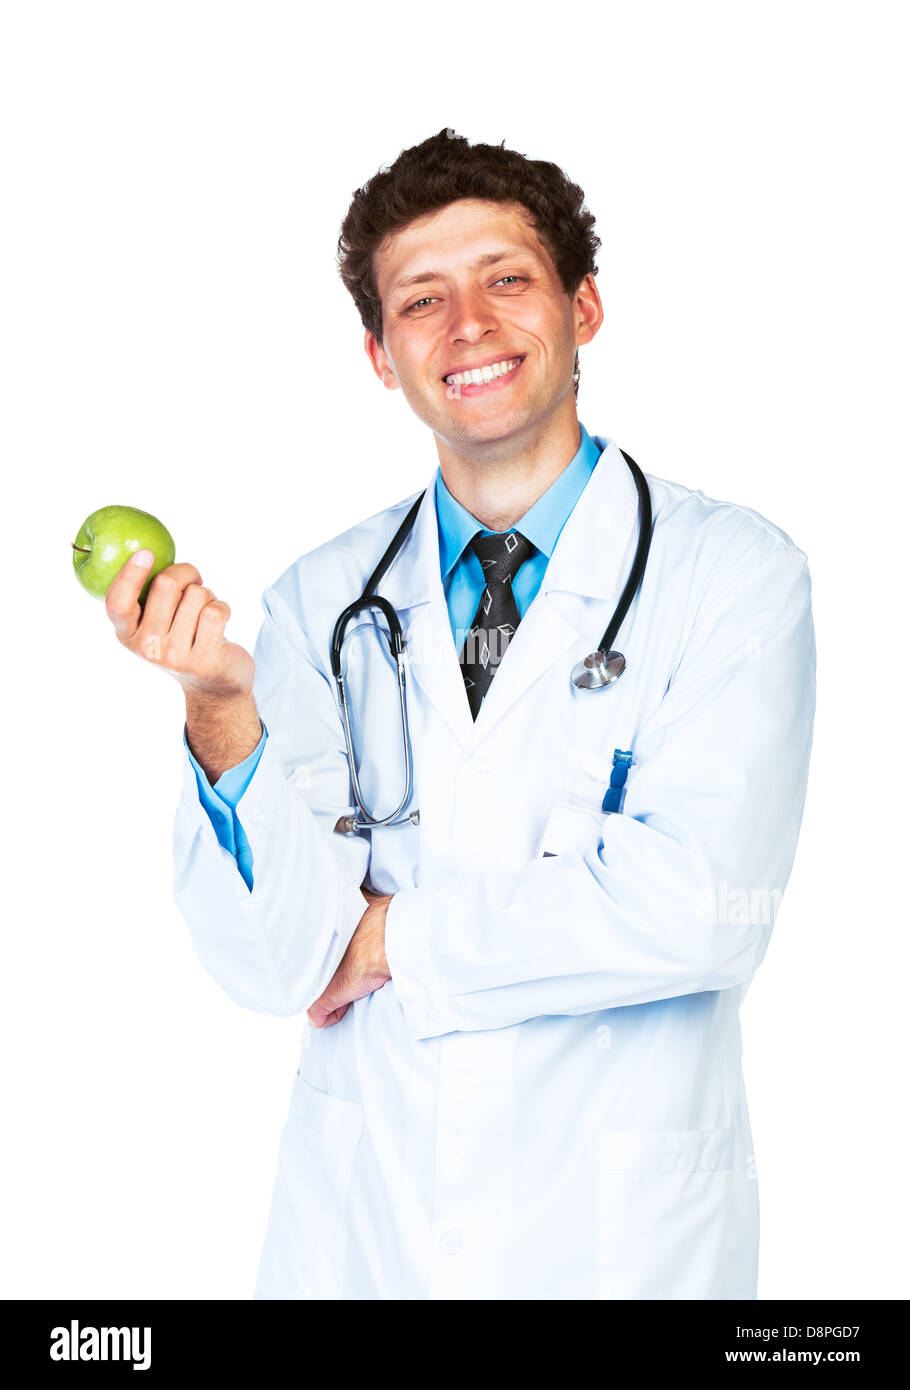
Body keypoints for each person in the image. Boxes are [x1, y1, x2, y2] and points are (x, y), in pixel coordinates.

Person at [104, 129, 816, 1300]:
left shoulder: (731, 577)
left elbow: (697, 910)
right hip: (365, 1229)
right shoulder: (320, 601)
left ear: (584, 308)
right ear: (382, 358)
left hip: (619, 1246)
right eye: (421, 300)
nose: (467, 325)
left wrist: (391, 938)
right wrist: (221, 708)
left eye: (507, 279)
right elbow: (278, 958)